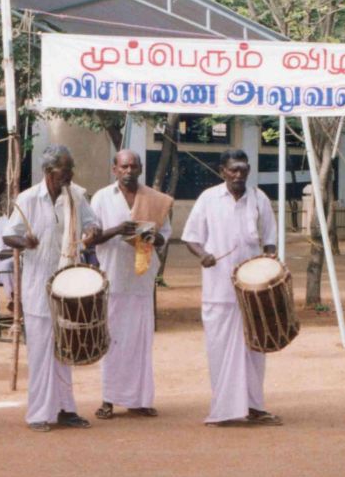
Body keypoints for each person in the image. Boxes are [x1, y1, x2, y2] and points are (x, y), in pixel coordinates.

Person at [2, 145, 101, 432]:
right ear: (48, 171)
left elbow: (93, 224)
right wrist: (25, 243)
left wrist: (91, 232)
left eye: (71, 169)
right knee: (42, 352)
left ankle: (66, 410)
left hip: (69, 285)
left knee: (66, 349)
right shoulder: (29, 199)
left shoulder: (76, 196)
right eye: (64, 170)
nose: (70, 174)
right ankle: (38, 414)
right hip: (38, 288)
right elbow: (9, 235)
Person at [182, 148, 282, 427]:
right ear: (222, 171)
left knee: (255, 351)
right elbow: (190, 237)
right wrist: (202, 255)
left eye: (244, 169)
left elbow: (270, 239)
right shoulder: (208, 199)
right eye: (233, 170)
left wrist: (270, 260)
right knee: (220, 351)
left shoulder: (259, 199)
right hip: (218, 292)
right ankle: (224, 410)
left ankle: (255, 406)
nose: (239, 175)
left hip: (253, 292)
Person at [89, 149, 173, 420]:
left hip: (141, 279)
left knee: (140, 341)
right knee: (111, 340)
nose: (129, 171)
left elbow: (165, 238)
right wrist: (117, 230)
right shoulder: (102, 197)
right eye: (124, 166)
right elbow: (89, 239)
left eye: (133, 166)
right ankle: (108, 399)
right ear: (114, 169)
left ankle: (140, 399)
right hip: (112, 278)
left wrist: (147, 235)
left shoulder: (154, 199)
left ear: (140, 169)